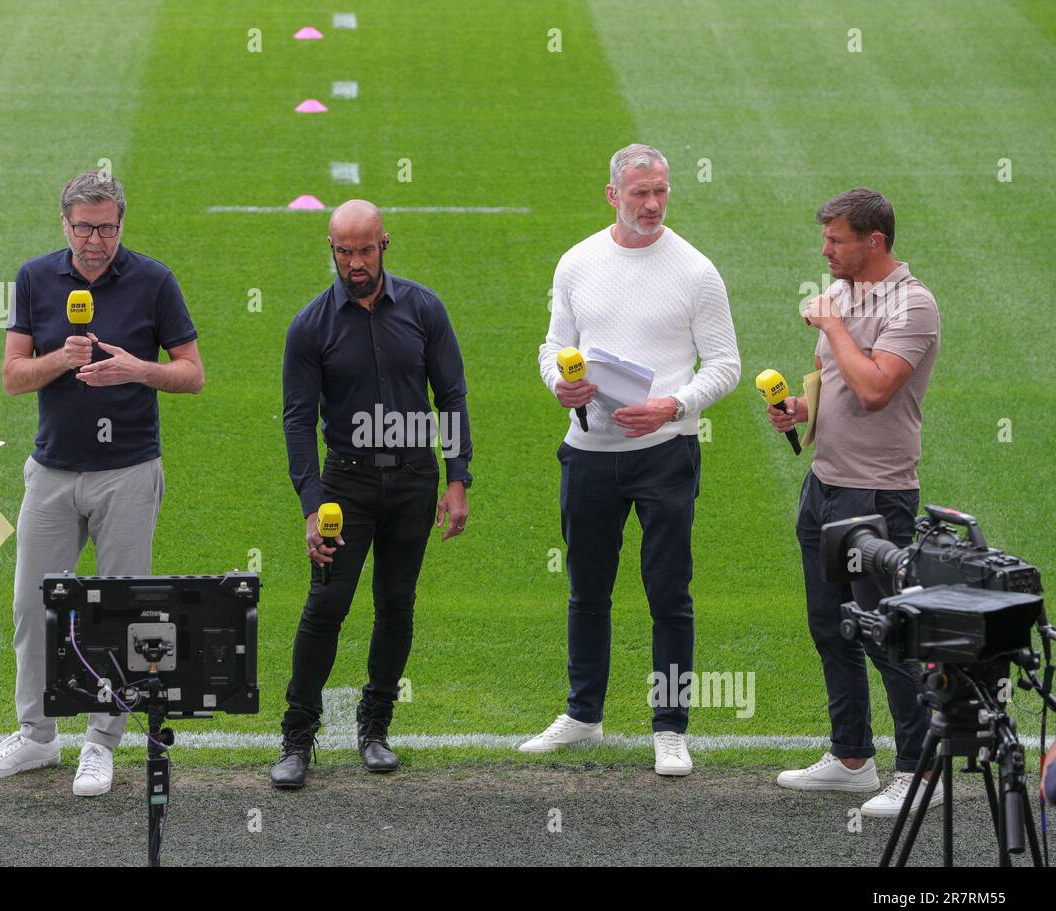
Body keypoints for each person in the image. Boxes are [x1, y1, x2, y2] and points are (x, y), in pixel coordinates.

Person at [0, 171, 203, 796]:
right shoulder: (34, 278)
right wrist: (61, 361)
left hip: (128, 472)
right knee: (31, 606)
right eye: (84, 228)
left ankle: (101, 743)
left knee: (120, 612)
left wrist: (136, 370)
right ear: (65, 225)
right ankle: (37, 737)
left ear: (121, 225)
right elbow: (14, 376)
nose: (96, 240)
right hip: (52, 470)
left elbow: (192, 374)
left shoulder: (154, 281)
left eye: (106, 227)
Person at [524, 144, 741, 776]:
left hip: (664, 453)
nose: (652, 204)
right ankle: (584, 715)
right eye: (640, 192)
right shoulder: (577, 262)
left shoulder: (696, 271)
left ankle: (670, 727)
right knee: (586, 592)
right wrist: (556, 384)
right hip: (588, 452)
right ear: (612, 194)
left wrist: (672, 406)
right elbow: (554, 345)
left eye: (662, 191)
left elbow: (725, 364)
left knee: (668, 593)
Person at [272, 199, 473, 789]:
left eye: (364, 249)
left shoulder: (424, 309)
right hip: (346, 487)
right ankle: (296, 737)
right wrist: (312, 506)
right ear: (329, 248)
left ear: (385, 243)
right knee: (325, 607)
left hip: (414, 479)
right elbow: (296, 419)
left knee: (396, 603)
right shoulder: (310, 325)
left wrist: (456, 479)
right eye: (343, 251)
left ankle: (375, 727)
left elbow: (452, 398)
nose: (354, 262)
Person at [770, 187, 942, 817]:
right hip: (825, 483)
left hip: (879, 495)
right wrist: (800, 410)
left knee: (887, 633)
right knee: (832, 625)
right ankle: (851, 758)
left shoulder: (913, 304)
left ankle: (919, 771)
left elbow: (874, 389)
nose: (826, 250)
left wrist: (835, 326)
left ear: (874, 241)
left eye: (836, 240)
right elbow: (837, 382)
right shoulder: (841, 295)